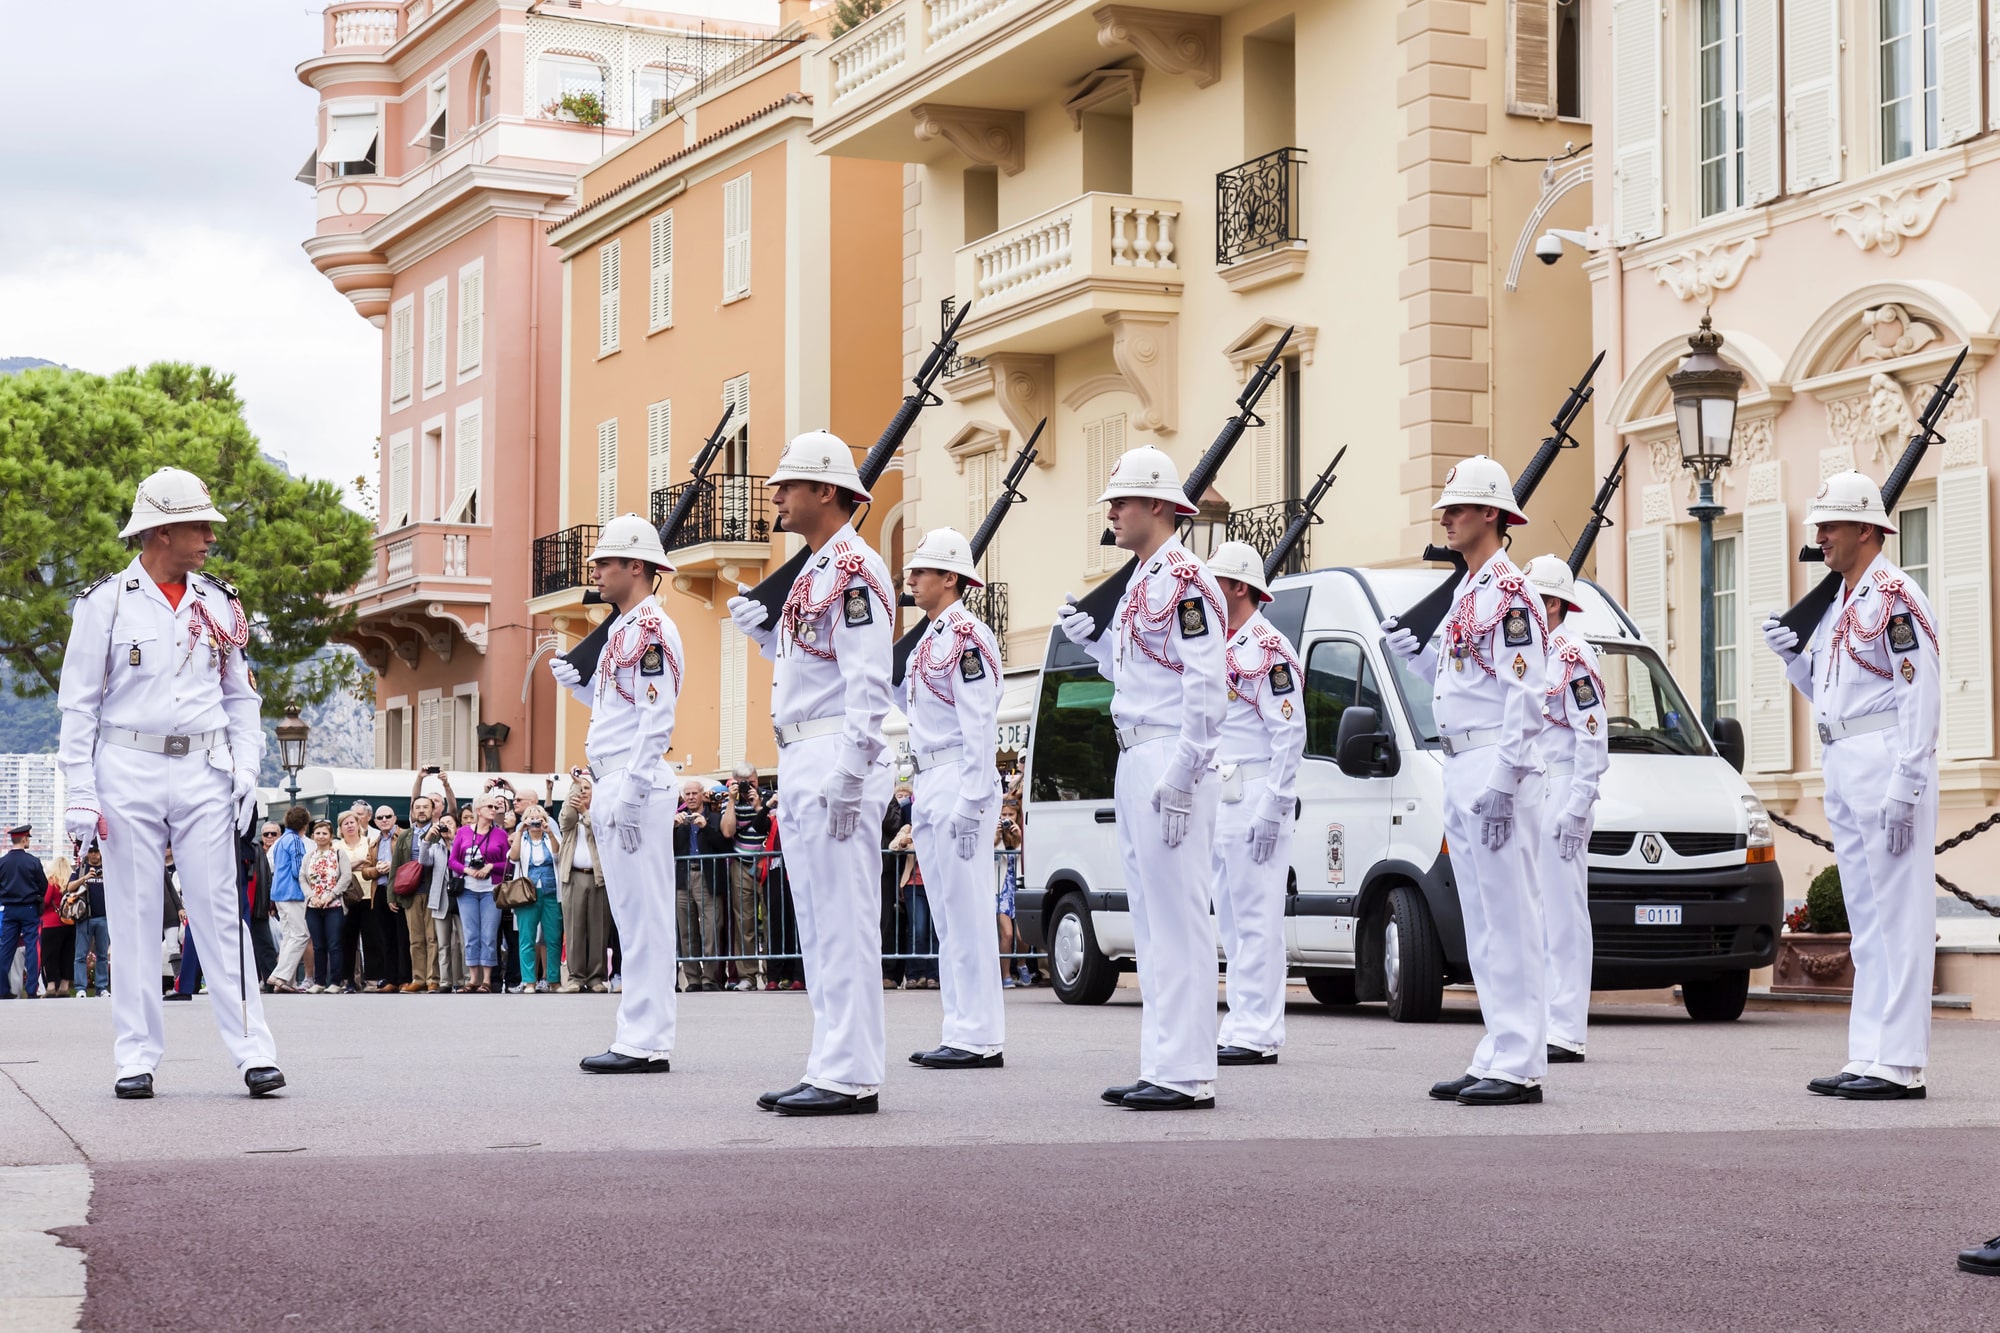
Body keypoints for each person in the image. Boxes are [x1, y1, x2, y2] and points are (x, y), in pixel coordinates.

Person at [56, 468, 283, 1098]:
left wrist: (246, 768)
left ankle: (252, 1051)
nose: (211, 535)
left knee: (217, 912)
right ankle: (135, 1057)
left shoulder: (220, 601)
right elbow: (78, 706)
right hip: (126, 766)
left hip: (205, 769)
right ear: (161, 531)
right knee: (132, 915)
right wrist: (79, 792)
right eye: (199, 524)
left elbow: (241, 698)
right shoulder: (104, 601)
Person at [728, 431, 895, 1116]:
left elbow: (866, 682)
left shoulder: (853, 568)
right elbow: (815, 663)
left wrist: (853, 773)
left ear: (826, 491)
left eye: (788, 484)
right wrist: (768, 637)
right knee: (818, 924)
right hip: (801, 753)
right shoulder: (814, 570)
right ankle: (830, 1059)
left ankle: (852, 1070)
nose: (775, 495)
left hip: (832, 754)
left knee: (845, 919)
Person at [1056, 446, 1228, 1111]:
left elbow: (1207, 683)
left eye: (1121, 500)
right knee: (1152, 921)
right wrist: (1094, 643)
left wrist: (1186, 773)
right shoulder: (1140, 580)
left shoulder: (1185, 578)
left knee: (1180, 917)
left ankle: (1187, 1069)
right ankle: (1163, 1060)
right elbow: (1142, 672)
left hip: (1168, 756)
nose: (1111, 511)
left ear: (1158, 505)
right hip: (1136, 753)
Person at [1762, 471, 1941, 1101]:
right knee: (1867, 918)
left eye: (1830, 525)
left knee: (1900, 915)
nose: (1820, 537)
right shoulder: (1843, 599)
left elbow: (1919, 692)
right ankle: (1868, 1052)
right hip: (1845, 756)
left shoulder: (1895, 597)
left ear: (1866, 529)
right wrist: (1795, 662)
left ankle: (1901, 1062)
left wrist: (1909, 781)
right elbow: (1838, 695)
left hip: (1887, 759)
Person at [1383, 455, 1549, 1107]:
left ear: (1491, 515)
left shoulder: (1510, 592)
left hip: (1494, 764)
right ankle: (1498, 1047)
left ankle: (1521, 1061)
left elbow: (1527, 695)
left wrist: (1505, 781)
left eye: (1457, 508)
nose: (1445, 518)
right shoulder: (1468, 591)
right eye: (1445, 509)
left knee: (1509, 915)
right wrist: (1416, 655)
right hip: (1461, 760)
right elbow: (1465, 681)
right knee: (1481, 921)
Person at [548, 513, 684, 1071]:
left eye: (605, 562)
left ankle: (647, 1039)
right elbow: (619, 714)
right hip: (612, 777)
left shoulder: (649, 629)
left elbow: (657, 719)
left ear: (637, 567)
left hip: (633, 780)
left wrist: (631, 788)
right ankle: (638, 1032)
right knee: (630, 915)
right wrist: (581, 689)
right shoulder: (621, 631)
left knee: (645, 915)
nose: (596, 571)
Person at [900, 527, 1006, 1068]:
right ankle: (960, 1027)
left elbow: (980, 722)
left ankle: (981, 1034)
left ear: (950, 578)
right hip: (930, 778)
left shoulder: (967, 635)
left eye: (921, 570)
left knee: (966, 910)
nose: (910, 578)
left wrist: (972, 797)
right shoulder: (930, 639)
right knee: (947, 914)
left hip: (959, 776)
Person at [1202, 541, 1307, 1067]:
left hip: (1255, 794)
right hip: (1222, 796)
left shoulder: (1268, 648)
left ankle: (1260, 1029)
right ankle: (1241, 1020)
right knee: (1231, 920)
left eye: (1215, 584)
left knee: (1257, 918)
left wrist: (1275, 804)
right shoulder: (1216, 647)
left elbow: (1290, 732)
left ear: (1239, 588)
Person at [1522, 555, 1609, 1064]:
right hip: (1536, 788)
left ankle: (1567, 1027)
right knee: (1536, 910)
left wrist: (1578, 804)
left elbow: (1592, 736)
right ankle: (1544, 1020)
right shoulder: (1533, 653)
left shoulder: (1572, 655)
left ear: (1552, 604)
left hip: (1562, 787)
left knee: (1562, 909)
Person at [451, 794, 511, 994]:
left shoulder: (500, 834)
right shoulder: (463, 832)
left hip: (490, 890)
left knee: (488, 934)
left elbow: (509, 862)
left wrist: (491, 866)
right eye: (489, 806)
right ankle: (473, 978)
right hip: (467, 888)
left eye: (495, 806)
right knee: (470, 934)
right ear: (478, 810)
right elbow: (453, 861)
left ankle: (487, 980)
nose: (494, 809)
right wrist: (467, 870)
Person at [557, 773, 610, 993]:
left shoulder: (599, 813)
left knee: (598, 928)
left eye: (587, 788)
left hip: (597, 877)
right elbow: (565, 818)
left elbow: (601, 831)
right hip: (574, 876)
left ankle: (596, 977)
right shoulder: (571, 818)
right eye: (580, 788)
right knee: (574, 928)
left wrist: (586, 813)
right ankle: (575, 978)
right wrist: (575, 785)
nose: (583, 791)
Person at [674, 779, 725, 992]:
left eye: (695, 793)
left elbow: (724, 845)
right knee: (686, 930)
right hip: (683, 877)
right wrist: (672, 827)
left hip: (707, 875)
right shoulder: (678, 821)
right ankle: (692, 978)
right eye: (687, 794)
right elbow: (668, 849)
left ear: (702, 795)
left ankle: (709, 977)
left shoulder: (713, 818)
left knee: (711, 927)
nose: (691, 797)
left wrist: (706, 828)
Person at [724, 765, 771, 991]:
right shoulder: (730, 800)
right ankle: (748, 976)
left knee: (770, 919)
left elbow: (772, 828)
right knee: (745, 922)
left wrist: (759, 806)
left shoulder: (768, 796)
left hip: (766, 863)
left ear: (756, 778)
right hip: (742, 865)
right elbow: (727, 831)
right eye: (741, 782)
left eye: (750, 781)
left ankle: (773, 973)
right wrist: (733, 801)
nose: (747, 786)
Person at [394, 785, 444, 993]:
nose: (422, 810)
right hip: (410, 893)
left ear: (433, 811)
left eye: (426, 807)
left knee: (433, 938)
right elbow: (395, 866)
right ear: (413, 812)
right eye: (418, 807)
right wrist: (391, 895)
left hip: (433, 891)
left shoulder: (439, 833)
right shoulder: (405, 835)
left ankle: (434, 978)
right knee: (415, 939)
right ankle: (418, 978)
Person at [510, 804, 563, 992]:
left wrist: (549, 833)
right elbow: (514, 857)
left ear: (545, 820)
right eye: (530, 817)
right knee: (527, 937)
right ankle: (529, 981)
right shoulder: (521, 839)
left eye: (539, 817)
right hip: (527, 893)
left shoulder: (553, 838)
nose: (535, 820)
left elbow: (559, 857)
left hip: (550, 892)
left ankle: (554, 980)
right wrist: (519, 832)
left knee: (553, 937)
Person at [300, 819, 350, 993]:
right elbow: (302, 879)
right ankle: (319, 981)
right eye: (318, 833)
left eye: (324, 833)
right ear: (313, 836)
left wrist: (331, 895)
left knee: (334, 944)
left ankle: (335, 982)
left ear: (331, 836)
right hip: (313, 906)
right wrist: (312, 897)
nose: (321, 836)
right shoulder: (309, 856)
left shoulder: (338, 854)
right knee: (318, 945)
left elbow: (346, 877)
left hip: (334, 905)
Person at [367, 804, 412, 992]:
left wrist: (392, 866)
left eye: (388, 816)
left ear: (395, 818)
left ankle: (405, 978)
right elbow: (365, 871)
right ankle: (391, 978)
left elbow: (410, 862)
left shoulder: (404, 836)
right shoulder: (374, 842)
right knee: (386, 938)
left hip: (400, 890)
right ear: (375, 821)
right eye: (380, 818)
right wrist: (376, 870)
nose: (384, 820)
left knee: (403, 937)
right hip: (380, 890)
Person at [267, 806, 311, 993]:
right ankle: (281, 975)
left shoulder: (280, 840)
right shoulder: (296, 841)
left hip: (278, 893)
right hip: (293, 893)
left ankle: (286, 980)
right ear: (305, 825)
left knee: (289, 936)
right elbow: (298, 869)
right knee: (301, 935)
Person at [0, 823, 45, 998]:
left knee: (5, 950)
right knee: (32, 948)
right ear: (25, 839)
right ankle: (32, 989)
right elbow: (44, 886)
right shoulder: (33, 861)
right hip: (29, 908)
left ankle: (3, 990)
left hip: (9, 909)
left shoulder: (2, 862)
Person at [879, 783, 915, 989]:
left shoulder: (887, 799)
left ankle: (889, 972)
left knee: (887, 920)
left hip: (885, 867)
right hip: (863, 866)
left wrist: (879, 804)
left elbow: (895, 824)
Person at [70, 846, 110, 996]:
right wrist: (84, 878)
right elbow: (69, 887)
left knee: (102, 955)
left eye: (97, 851)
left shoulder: (108, 867)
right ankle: (80, 988)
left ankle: (102, 987)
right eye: (91, 851)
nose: (94, 855)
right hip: (84, 917)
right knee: (80, 955)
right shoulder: (81, 869)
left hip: (104, 916)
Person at [996, 798, 1027, 988]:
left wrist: (1019, 839)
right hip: (1001, 890)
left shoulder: (1022, 836)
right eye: (1004, 815)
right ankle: (1005, 975)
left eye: (1011, 815)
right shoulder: (995, 835)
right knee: (1006, 934)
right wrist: (997, 837)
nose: (1007, 819)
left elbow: (1028, 857)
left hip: (1019, 887)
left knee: (1022, 935)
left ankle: (1022, 964)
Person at [41, 854, 75, 998]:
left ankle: (51, 986)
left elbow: (46, 900)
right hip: (69, 923)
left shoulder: (52, 881)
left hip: (51, 924)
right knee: (67, 955)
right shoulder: (72, 882)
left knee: (51, 956)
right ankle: (64, 986)